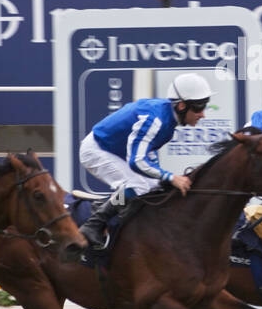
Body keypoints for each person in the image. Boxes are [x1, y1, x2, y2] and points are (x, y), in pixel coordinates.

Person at [77, 72, 212, 249]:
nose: (203, 115)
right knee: (136, 186)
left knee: (154, 188)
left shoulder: (168, 122)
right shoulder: (155, 119)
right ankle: (93, 225)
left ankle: (111, 209)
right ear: (181, 106)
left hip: (117, 151)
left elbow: (148, 157)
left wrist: (164, 178)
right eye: (198, 108)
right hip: (97, 150)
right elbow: (137, 162)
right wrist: (171, 177)